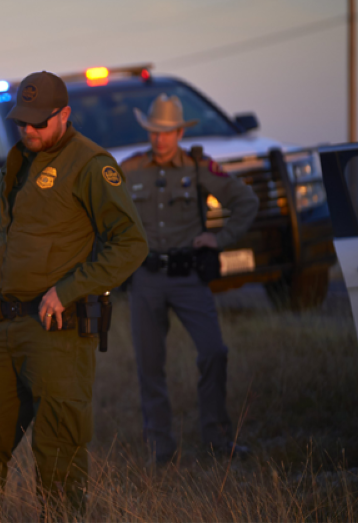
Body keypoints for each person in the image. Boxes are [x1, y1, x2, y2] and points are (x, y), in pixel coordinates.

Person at [0, 71, 148, 511]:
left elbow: (131, 244)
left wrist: (70, 289)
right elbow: (2, 235)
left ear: (64, 115)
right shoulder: (16, 162)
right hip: (4, 326)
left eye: (39, 122)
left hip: (57, 330)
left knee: (58, 453)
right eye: (22, 121)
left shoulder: (91, 164)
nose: (29, 129)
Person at [120, 94, 259, 464]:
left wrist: (220, 239)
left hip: (188, 277)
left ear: (180, 132)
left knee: (214, 352)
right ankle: (160, 448)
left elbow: (246, 202)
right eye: (154, 131)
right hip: (146, 277)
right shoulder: (129, 169)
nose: (159, 139)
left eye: (167, 132)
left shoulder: (199, 166)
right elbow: (102, 210)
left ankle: (217, 438)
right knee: (150, 365)